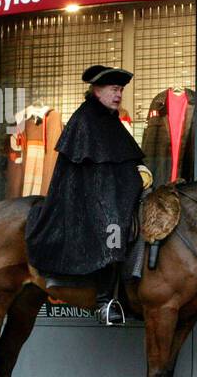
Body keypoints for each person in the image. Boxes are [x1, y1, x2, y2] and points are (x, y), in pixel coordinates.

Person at [26, 65, 153, 325]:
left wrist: (138, 173)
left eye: (121, 90)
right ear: (97, 90)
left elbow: (117, 162)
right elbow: (94, 173)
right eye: (114, 89)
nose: (119, 95)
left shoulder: (109, 118)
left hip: (106, 191)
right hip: (82, 196)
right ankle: (105, 301)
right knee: (113, 226)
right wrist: (127, 182)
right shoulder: (84, 120)